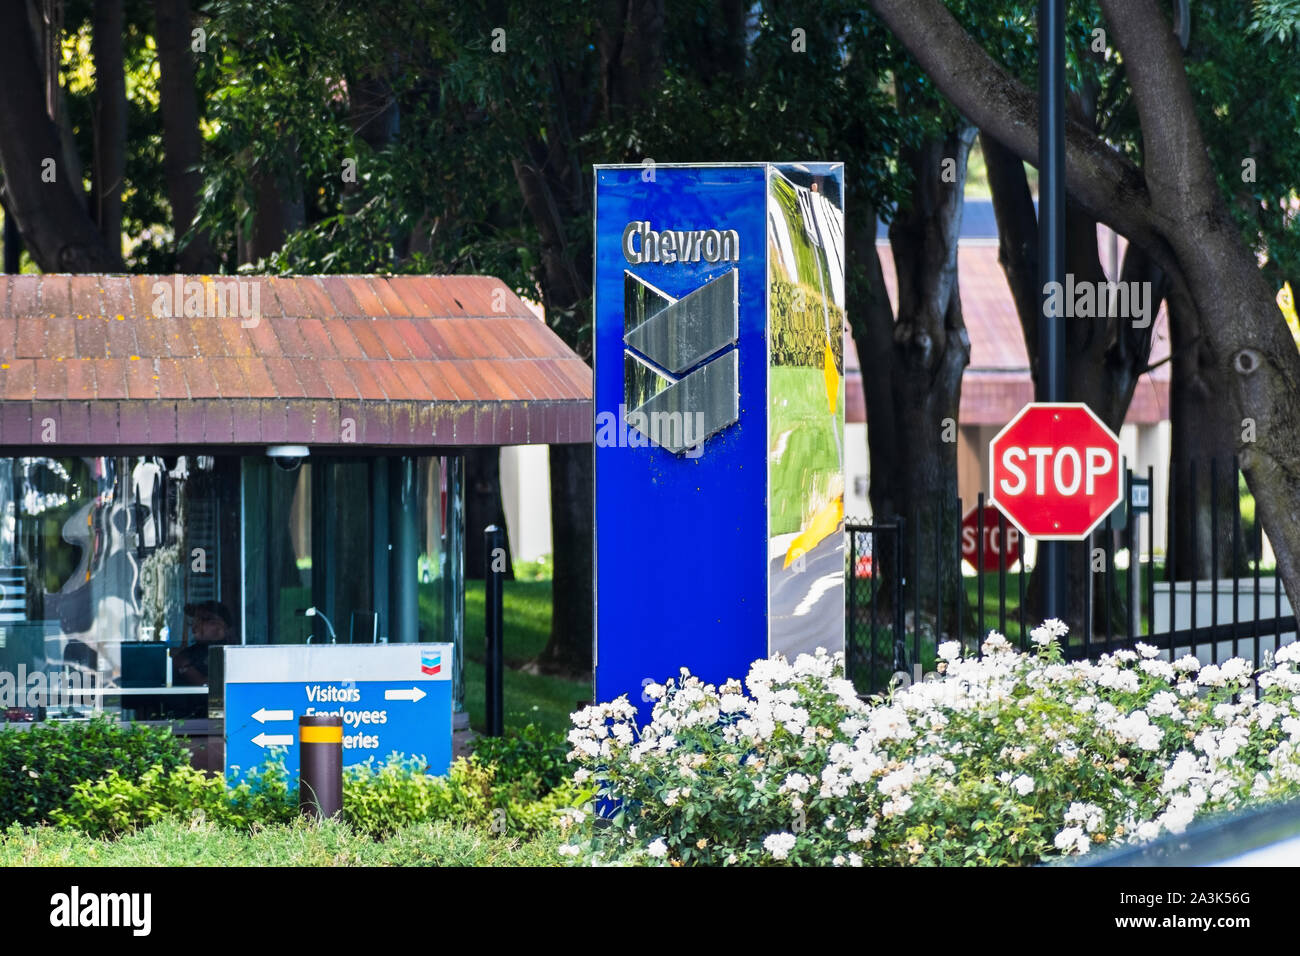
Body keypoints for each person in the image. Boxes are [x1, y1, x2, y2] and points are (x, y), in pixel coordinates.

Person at [171, 601, 233, 686]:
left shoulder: (232, 653)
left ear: (222, 626)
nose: (195, 627)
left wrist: (185, 667)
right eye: (195, 620)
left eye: (205, 620)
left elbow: (212, 685)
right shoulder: (194, 650)